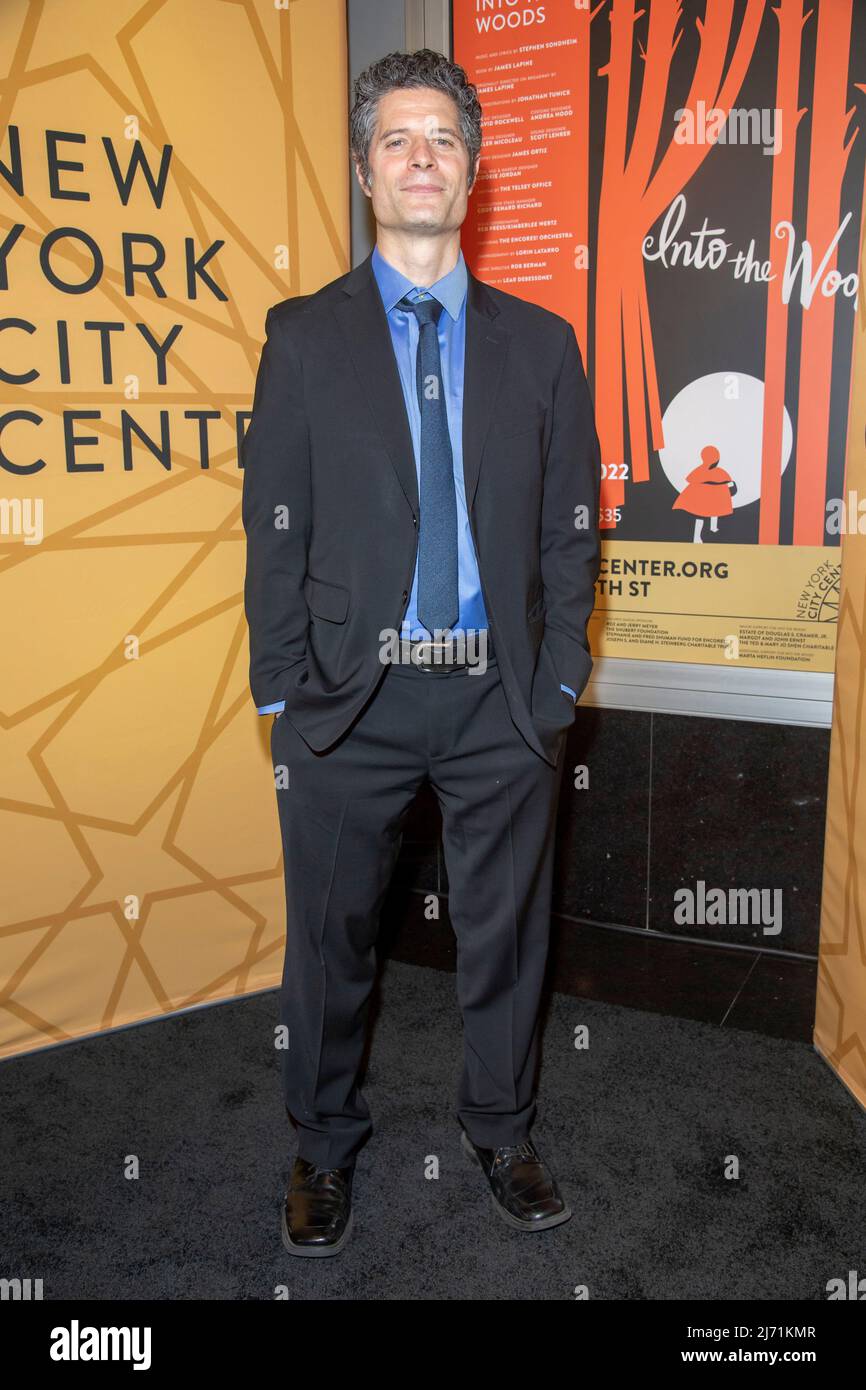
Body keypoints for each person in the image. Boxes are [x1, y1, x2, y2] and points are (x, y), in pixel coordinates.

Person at [241, 48, 601, 1257]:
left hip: (501, 699)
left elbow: (567, 529)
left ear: (474, 165)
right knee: (331, 942)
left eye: (441, 137)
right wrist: (289, 688)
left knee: (507, 934)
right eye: (395, 139)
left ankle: (500, 1129)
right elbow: (270, 527)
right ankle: (321, 1144)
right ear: (361, 170)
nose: (420, 158)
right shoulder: (300, 339)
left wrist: (554, 688)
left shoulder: (543, 345)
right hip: (351, 701)